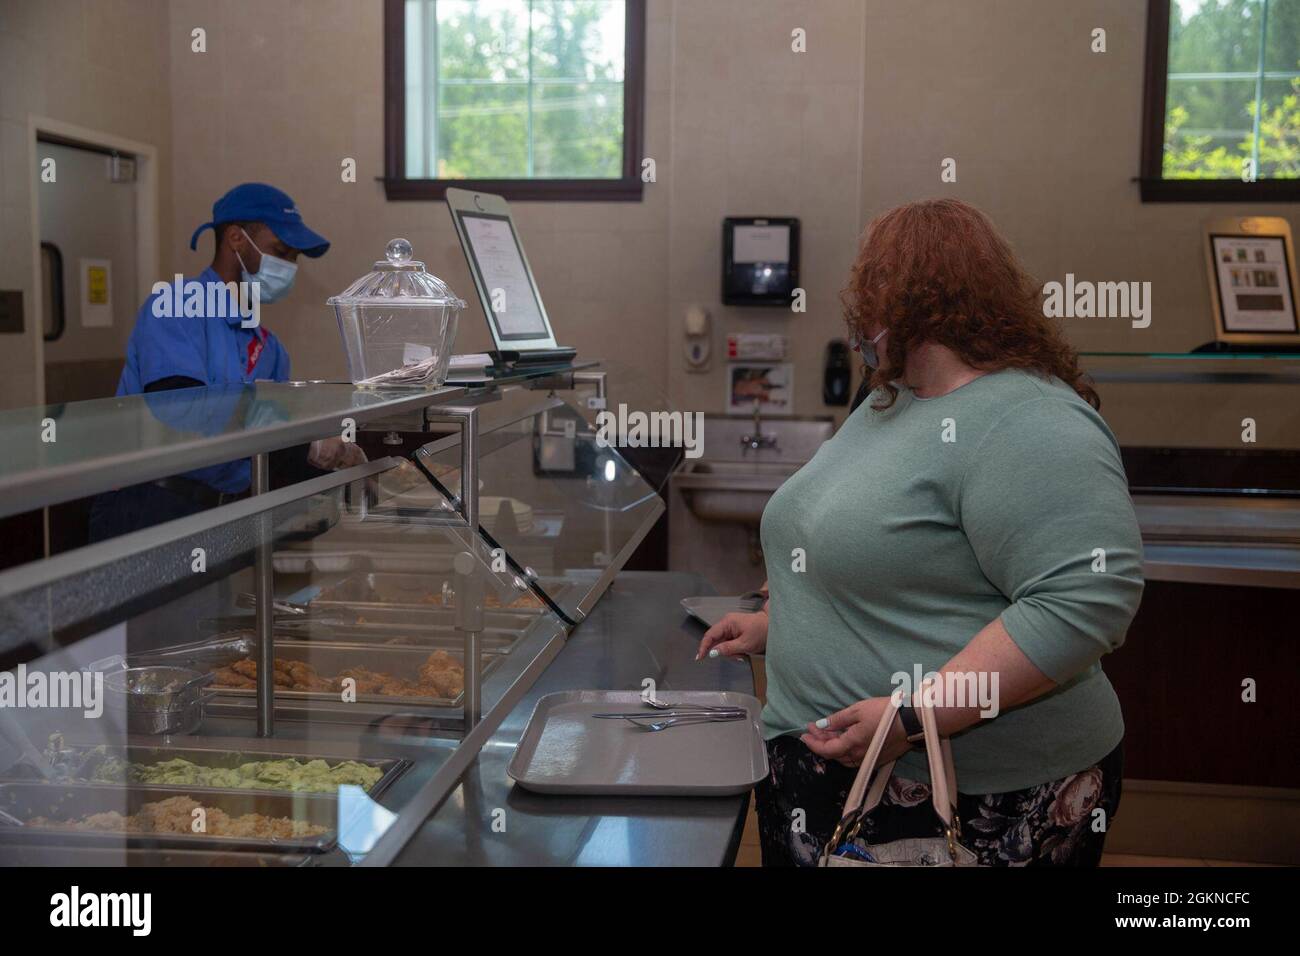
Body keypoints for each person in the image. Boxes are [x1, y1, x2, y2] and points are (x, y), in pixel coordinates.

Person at [698, 198, 1144, 867]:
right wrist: (783, 623)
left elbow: (1085, 603)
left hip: (977, 793)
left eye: (868, 301)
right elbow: (881, 556)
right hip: (835, 772)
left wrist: (914, 716)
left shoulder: (1029, 418)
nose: (862, 327)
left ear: (900, 302)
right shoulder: (891, 403)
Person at [88, 183, 362, 541]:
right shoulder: (174, 306)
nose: (289, 267)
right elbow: (180, 407)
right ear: (235, 238)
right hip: (149, 507)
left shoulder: (269, 347)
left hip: (220, 513)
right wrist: (306, 443)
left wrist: (336, 460)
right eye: (280, 251)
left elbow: (267, 449)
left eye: (294, 258)